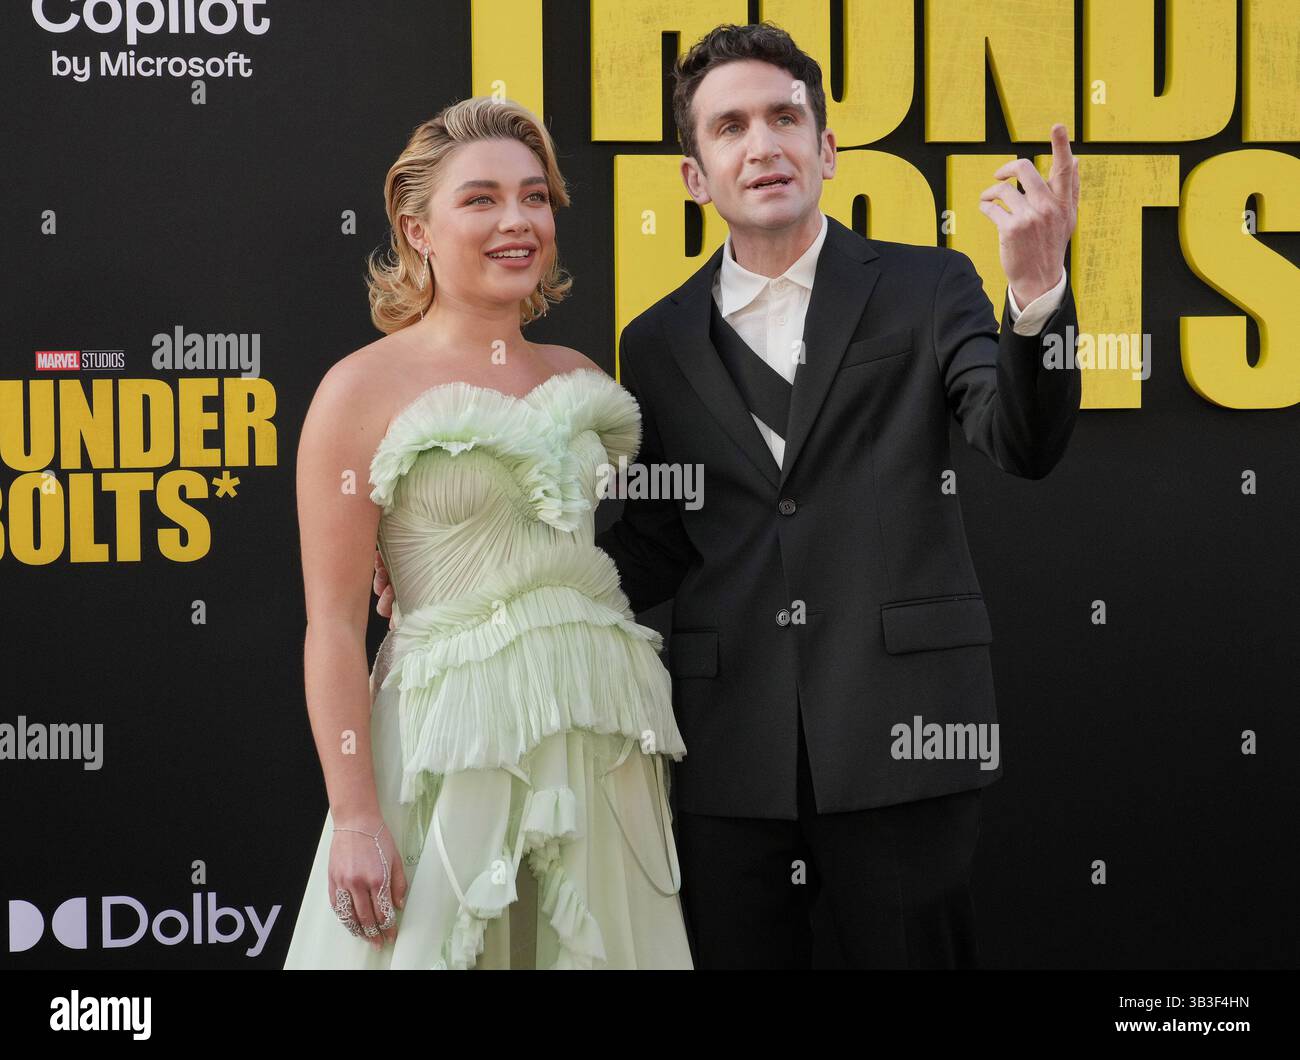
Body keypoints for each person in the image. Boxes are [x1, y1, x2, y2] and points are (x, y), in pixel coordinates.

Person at [378, 23, 1081, 968]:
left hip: (903, 732)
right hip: (724, 751)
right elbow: (661, 539)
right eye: (730, 127)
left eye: (786, 117)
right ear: (694, 176)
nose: (764, 144)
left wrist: (1036, 298)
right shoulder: (656, 340)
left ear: (826, 148)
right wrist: (477, 573)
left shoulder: (928, 286)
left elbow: (1022, 442)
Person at [283, 97, 692, 970]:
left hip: (594, 748)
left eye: (535, 197)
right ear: (417, 229)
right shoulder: (359, 391)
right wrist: (355, 812)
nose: (518, 221)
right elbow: (331, 626)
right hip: (446, 751)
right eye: (481, 200)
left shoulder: (580, 376)